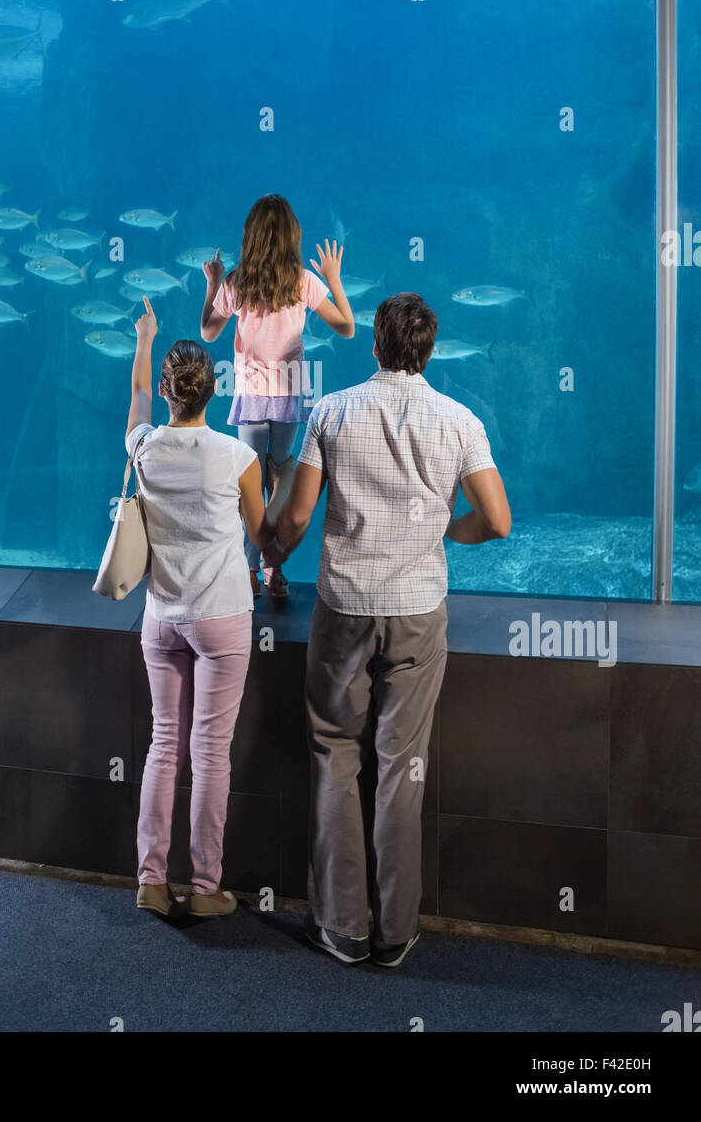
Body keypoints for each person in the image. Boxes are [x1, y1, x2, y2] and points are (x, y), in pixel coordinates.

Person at [266, 292, 511, 967]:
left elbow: (295, 519)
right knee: (403, 765)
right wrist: (445, 532)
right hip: (417, 610)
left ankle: (340, 927)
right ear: (429, 351)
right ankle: (396, 931)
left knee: (334, 752)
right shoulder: (460, 420)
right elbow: (497, 520)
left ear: (374, 345)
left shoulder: (332, 411)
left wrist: (271, 557)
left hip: (344, 606)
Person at [126, 296, 274, 919]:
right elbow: (263, 534)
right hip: (222, 619)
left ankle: (151, 882)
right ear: (214, 392)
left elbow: (135, 395)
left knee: (164, 745)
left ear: (167, 393)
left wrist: (146, 336)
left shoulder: (143, 447)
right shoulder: (239, 457)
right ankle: (207, 889)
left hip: (162, 617)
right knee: (209, 751)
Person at [201, 193, 355, 599]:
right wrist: (334, 279)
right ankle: (273, 567)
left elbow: (208, 332)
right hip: (288, 391)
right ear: (292, 236)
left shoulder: (237, 282)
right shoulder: (303, 280)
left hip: (249, 392)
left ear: (250, 235)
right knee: (280, 474)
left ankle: (250, 569)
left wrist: (214, 284)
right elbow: (346, 328)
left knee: (248, 481)